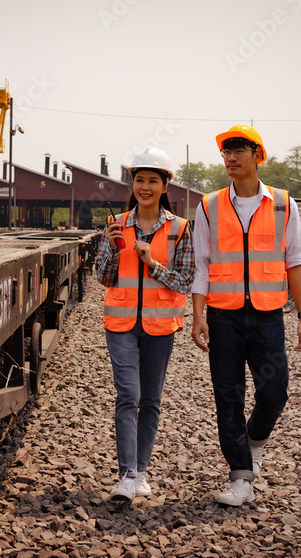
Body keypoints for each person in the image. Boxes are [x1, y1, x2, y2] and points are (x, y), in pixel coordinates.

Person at [189, 125, 301, 506]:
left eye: (239, 150)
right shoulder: (209, 205)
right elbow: (202, 265)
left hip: (267, 317)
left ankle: (254, 442)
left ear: (257, 155)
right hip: (224, 317)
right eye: (226, 152)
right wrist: (198, 315)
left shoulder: (282, 204)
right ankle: (241, 478)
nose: (230, 158)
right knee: (228, 399)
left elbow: (294, 259)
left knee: (274, 393)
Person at [94, 147, 195, 501]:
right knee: (129, 396)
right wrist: (110, 248)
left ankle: (142, 472)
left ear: (166, 185)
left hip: (160, 326)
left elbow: (184, 281)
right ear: (132, 184)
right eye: (140, 180)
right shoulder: (116, 224)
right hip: (120, 324)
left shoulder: (180, 229)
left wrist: (152, 263)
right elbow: (103, 278)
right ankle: (127, 475)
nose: (146, 187)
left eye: (153, 180)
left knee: (150, 400)